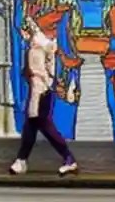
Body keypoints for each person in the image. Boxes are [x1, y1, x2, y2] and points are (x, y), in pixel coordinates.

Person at [9, 18, 77, 176]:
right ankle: (21, 160)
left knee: (44, 126)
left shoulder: (38, 45)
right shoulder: (41, 44)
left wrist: (39, 89)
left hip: (40, 92)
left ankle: (68, 158)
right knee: (31, 126)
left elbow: (38, 73)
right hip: (40, 90)